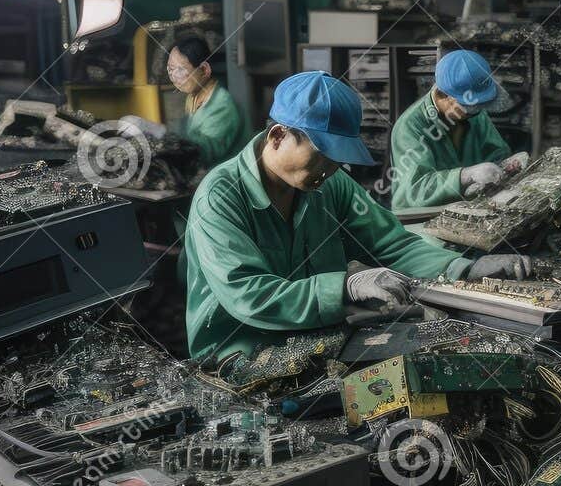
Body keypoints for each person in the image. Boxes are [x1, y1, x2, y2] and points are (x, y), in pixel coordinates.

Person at [184, 71, 529, 365]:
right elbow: (248, 295)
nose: (331, 169)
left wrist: (464, 269)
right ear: (278, 137)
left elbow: (391, 244)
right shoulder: (220, 197)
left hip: (317, 339)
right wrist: (344, 287)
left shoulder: (331, 185)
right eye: (323, 155)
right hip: (238, 352)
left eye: (339, 159)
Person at [390, 49, 528, 211]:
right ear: (442, 94)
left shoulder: (474, 113)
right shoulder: (410, 127)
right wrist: (464, 176)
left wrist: (509, 165)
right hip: (421, 219)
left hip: (470, 211)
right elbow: (414, 190)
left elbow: (496, 154)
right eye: (468, 104)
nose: (475, 110)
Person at [167, 34, 249, 168]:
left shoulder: (222, 105)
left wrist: (164, 134)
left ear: (204, 70)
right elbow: (186, 131)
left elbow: (207, 150)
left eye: (181, 70)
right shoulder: (193, 97)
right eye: (170, 69)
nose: (174, 77)